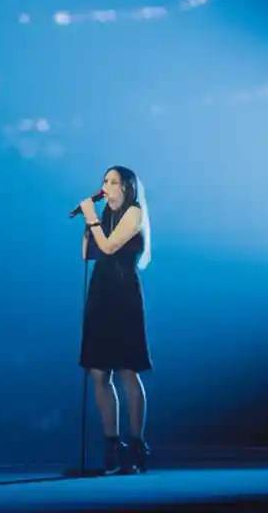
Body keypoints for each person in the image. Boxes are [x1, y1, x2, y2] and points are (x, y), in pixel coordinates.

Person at [78, 165, 153, 473]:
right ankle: (111, 442)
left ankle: (137, 444)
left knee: (126, 369)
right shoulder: (102, 215)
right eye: (104, 181)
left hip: (123, 295)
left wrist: (91, 219)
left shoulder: (134, 213)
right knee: (98, 371)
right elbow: (88, 254)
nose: (106, 186)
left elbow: (109, 246)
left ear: (126, 187)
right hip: (100, 293)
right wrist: (89, 224)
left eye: (113, 182)